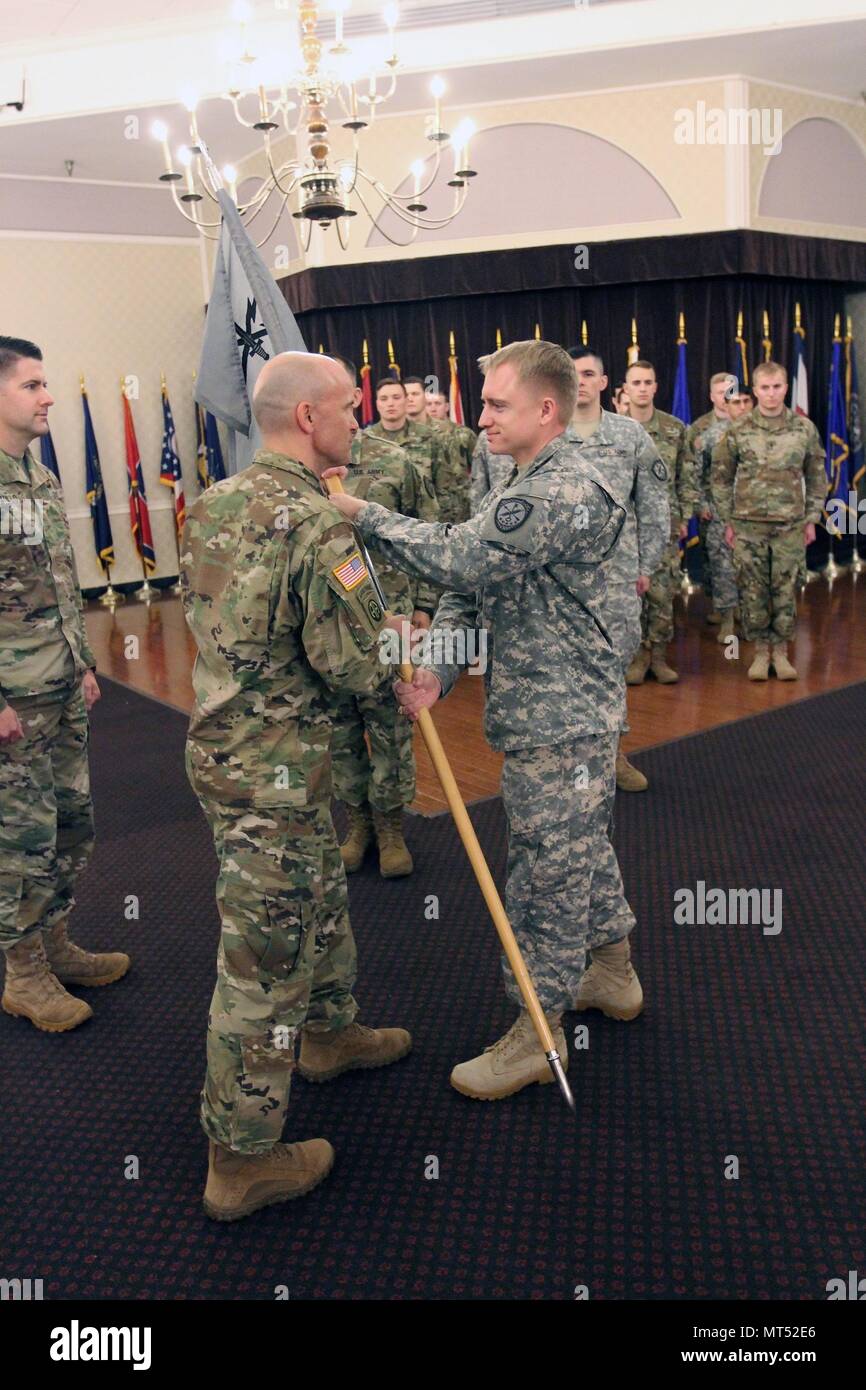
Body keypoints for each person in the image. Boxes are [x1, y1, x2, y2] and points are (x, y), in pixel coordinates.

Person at [328, 340, 641, 1102]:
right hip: (536, 700)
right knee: (575, 843)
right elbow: (476, 590)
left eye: (498, 404)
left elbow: (464, 557)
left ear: (547, 409)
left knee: (544, 868)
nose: (480, 416)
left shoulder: (567, 486)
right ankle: (614, 970)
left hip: (565, 712)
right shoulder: (508, 471)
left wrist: (360, 513)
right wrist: (437, 664)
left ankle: (538, 1033)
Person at [181, 351, 411, 1221]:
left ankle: (326, 1031)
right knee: (261, 961)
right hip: (273, 772)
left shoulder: (215, 503)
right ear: (309, 418)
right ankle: (239, 1160)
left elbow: (222, 618)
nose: (358, 420)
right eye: (349, 407)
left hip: (240, 755)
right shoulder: (318, 525)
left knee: (316, 898)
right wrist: (396, 639)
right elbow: (351, 665)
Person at [0, 338, 127, 1034]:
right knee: (19, 840)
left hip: (57, 685)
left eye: (47, 385)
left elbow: (57, 583)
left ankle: (55, 945)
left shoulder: (40, 479)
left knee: (70, 826)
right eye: (32, 385)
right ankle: (22, 976)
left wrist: (81, 662)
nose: (47, 397)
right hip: (11, 699)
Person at [328, 358, 440, 878]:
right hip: (328, 627)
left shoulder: (394, 462)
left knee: (392, 727)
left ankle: (392, 826)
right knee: (341, 730)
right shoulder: (304, 467)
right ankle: (358, 825)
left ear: (357, 394)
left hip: (389, 620)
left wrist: (423, 607)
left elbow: (428, 535)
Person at [566, 346, 670, 795]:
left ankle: (613, 755)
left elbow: (653, 504)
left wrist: (647, 565)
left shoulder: (630, 436)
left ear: (606, 382)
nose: (581, 382)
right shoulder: (545, 436)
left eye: (589, 374)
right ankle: (574, 762)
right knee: (566, 667)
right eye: (572, 376)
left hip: (618, 575)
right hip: (561, 579)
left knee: (612, 666)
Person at [711, 360, 825, 681]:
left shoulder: (804, 429)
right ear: (755, 389)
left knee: (785, 590)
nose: (771, 394)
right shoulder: (738, 429)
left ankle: (782, 652)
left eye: (777, 387)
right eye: (764, 388)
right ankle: (761, 651)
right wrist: (727, 519)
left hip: (790, 526)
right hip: (748, 527)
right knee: (753, 590)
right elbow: (720, 478)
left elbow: (817, 478)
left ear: (785, 388)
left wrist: (811, 519)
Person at [622, 360, 697, 685]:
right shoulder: (612, 431)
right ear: (625, 389)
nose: (641, 388)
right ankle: (637, 656)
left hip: (663, 528)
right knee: (630, 595)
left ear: (655, 387)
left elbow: (686, 478)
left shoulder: (675, 429)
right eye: (635, 382)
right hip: (624, 533)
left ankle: (660, 656)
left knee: (663, 593)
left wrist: (683, 516)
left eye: (647, 382)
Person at [367, 378, 469, 525]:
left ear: (406, 401)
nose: (390, 403)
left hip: (422, 527)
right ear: (377, 403)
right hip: (378, 525)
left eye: (396, 398)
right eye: (383, 399)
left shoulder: (431, 437)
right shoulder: (366, 441)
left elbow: (446, 490)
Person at [685, 373, 740, 642]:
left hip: (745, 509)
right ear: (711, 396)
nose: (727, 397)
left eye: (732, 391)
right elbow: (693, 471)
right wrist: (700, 504)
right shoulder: (701, 429)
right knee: (717, 566)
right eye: (722, 392)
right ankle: (725, 613)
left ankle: (741, 610)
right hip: (714, 508)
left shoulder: (745, 421)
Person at [422, 384, 478, 470]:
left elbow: (477, 467)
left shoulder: (464, 434)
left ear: (447, 407)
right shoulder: (418, 435)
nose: (433, 409)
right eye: (428, 404)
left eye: (437, 403)